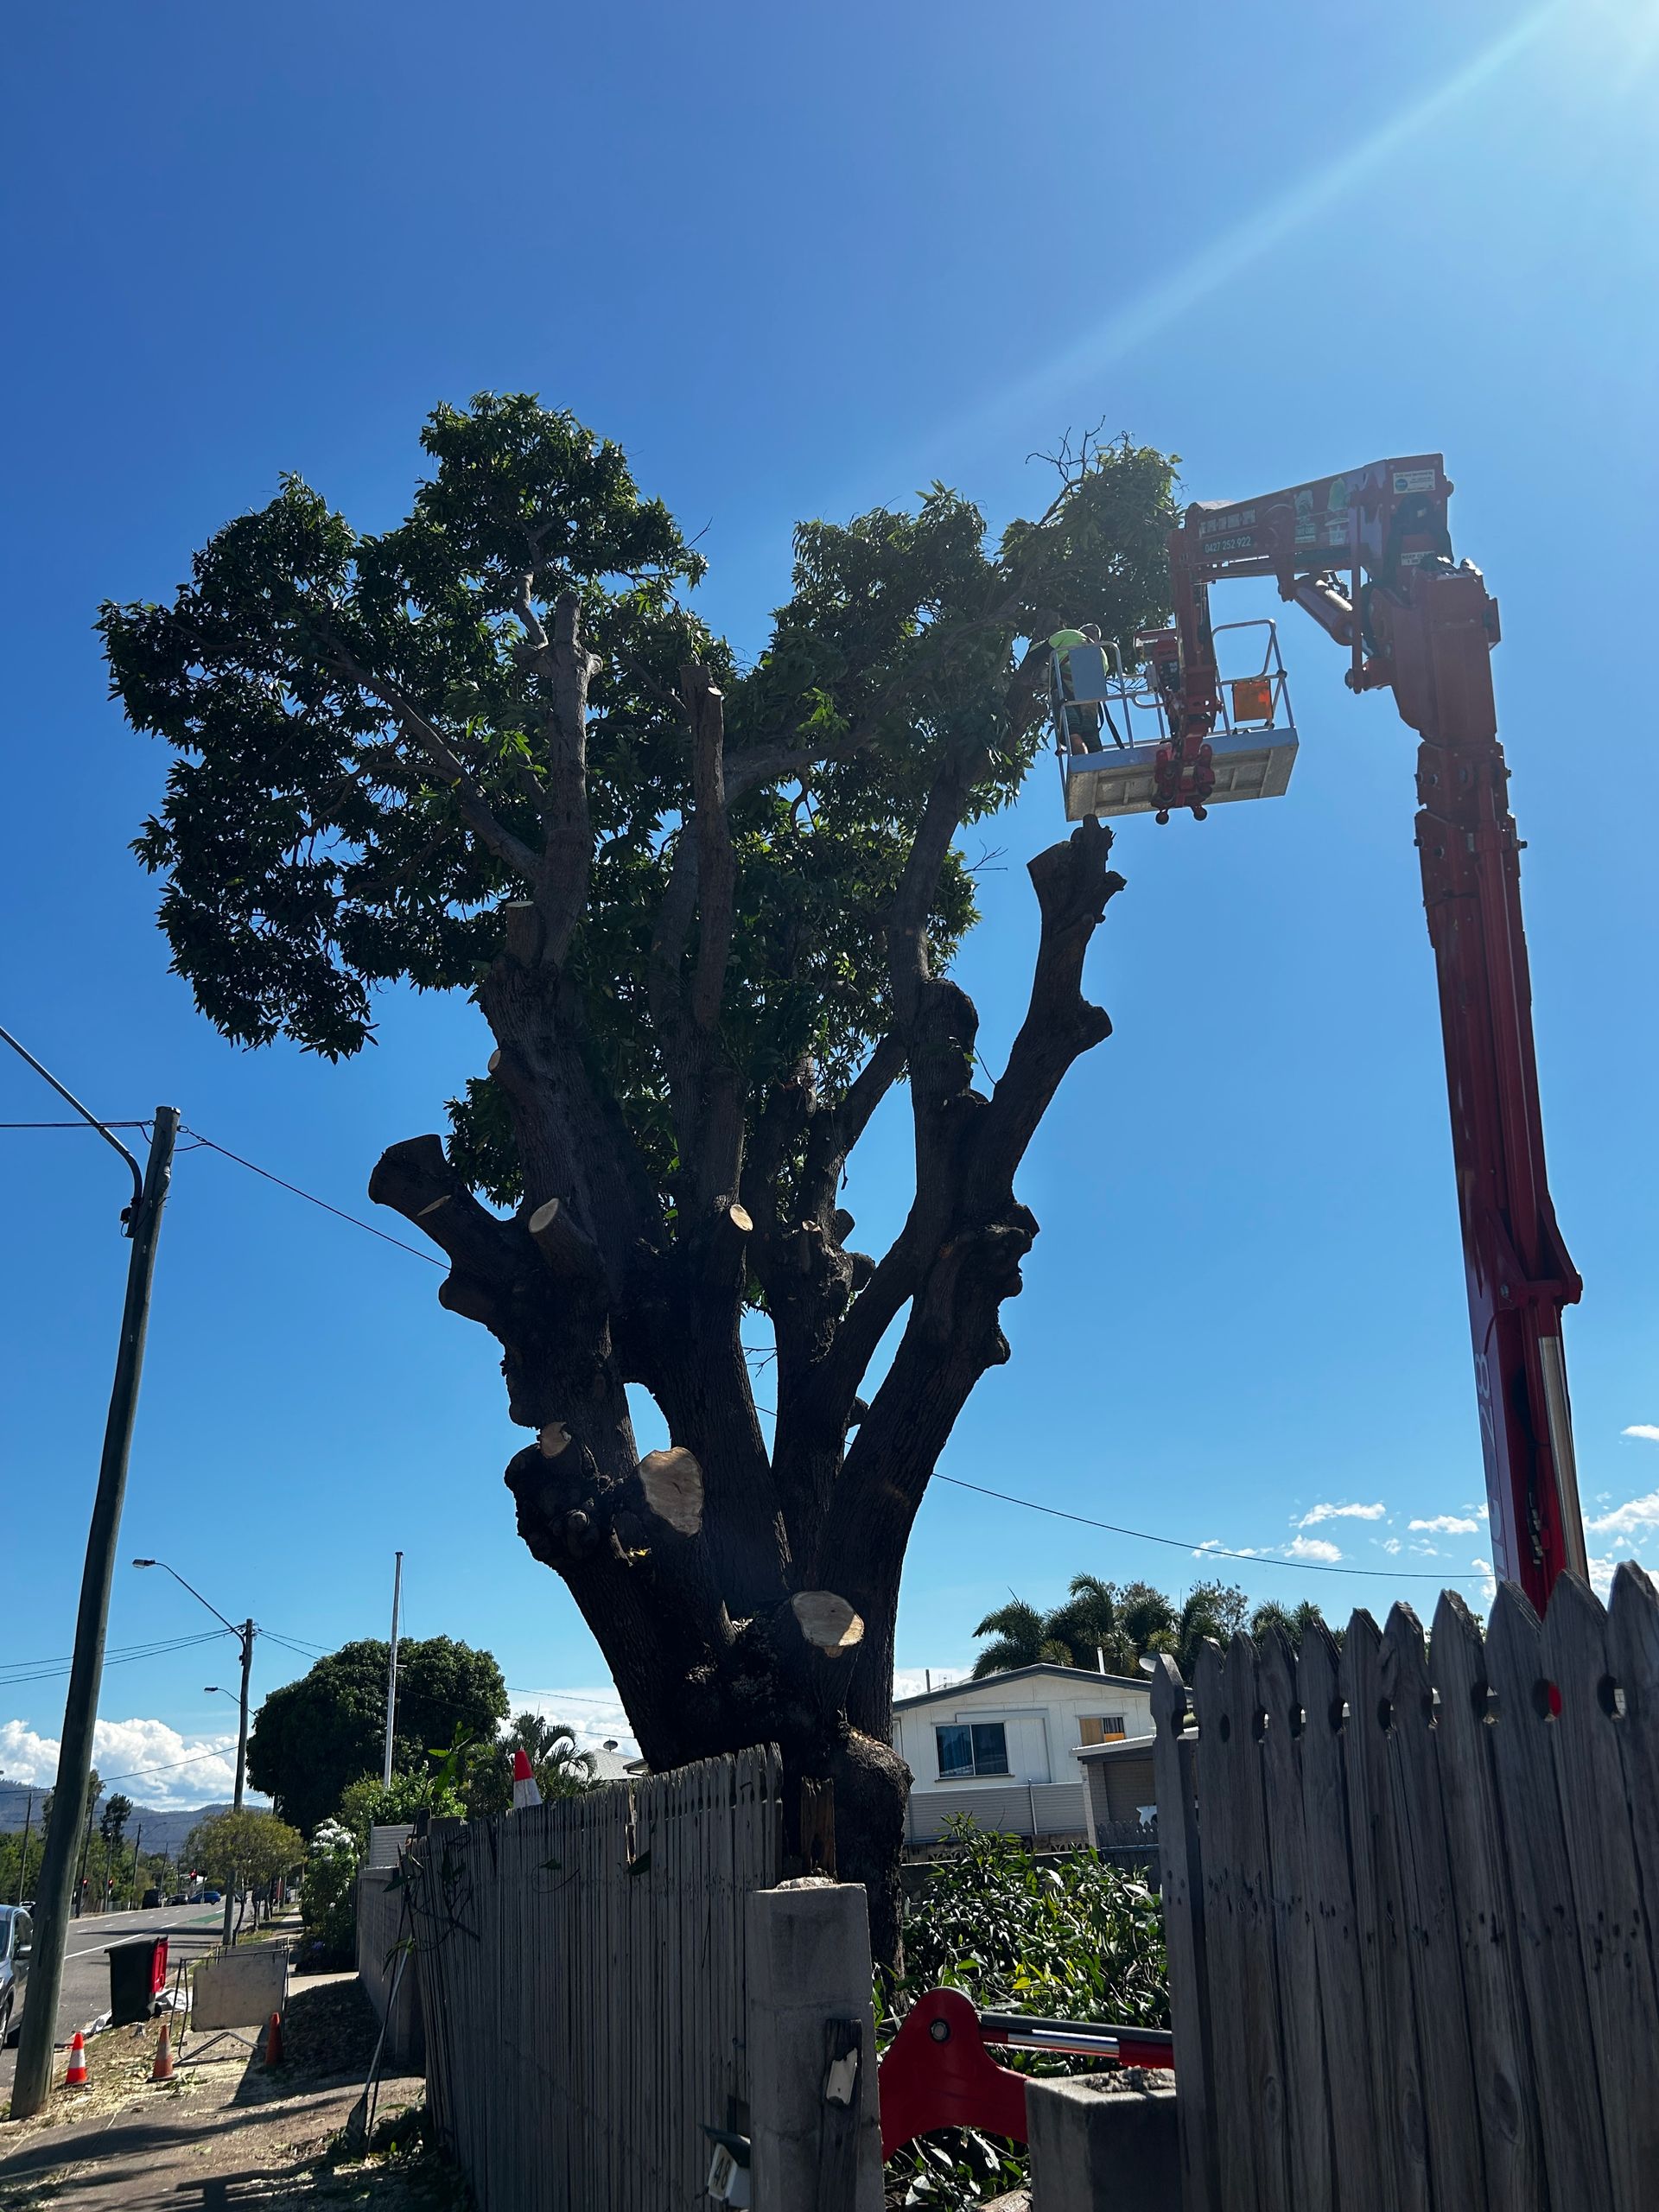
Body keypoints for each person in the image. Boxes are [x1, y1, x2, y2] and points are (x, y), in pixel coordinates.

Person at [1048, 622, 1111, 754]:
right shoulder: (1101, 654)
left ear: (1081, 631)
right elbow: (1099, 677)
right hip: (1090, 695)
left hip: (1065, 690)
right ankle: (1098, 766)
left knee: (1073, 732)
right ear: (1097, 639)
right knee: (1091, 735)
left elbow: (1038, 652)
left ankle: (1083, 765)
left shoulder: (1071, 634)